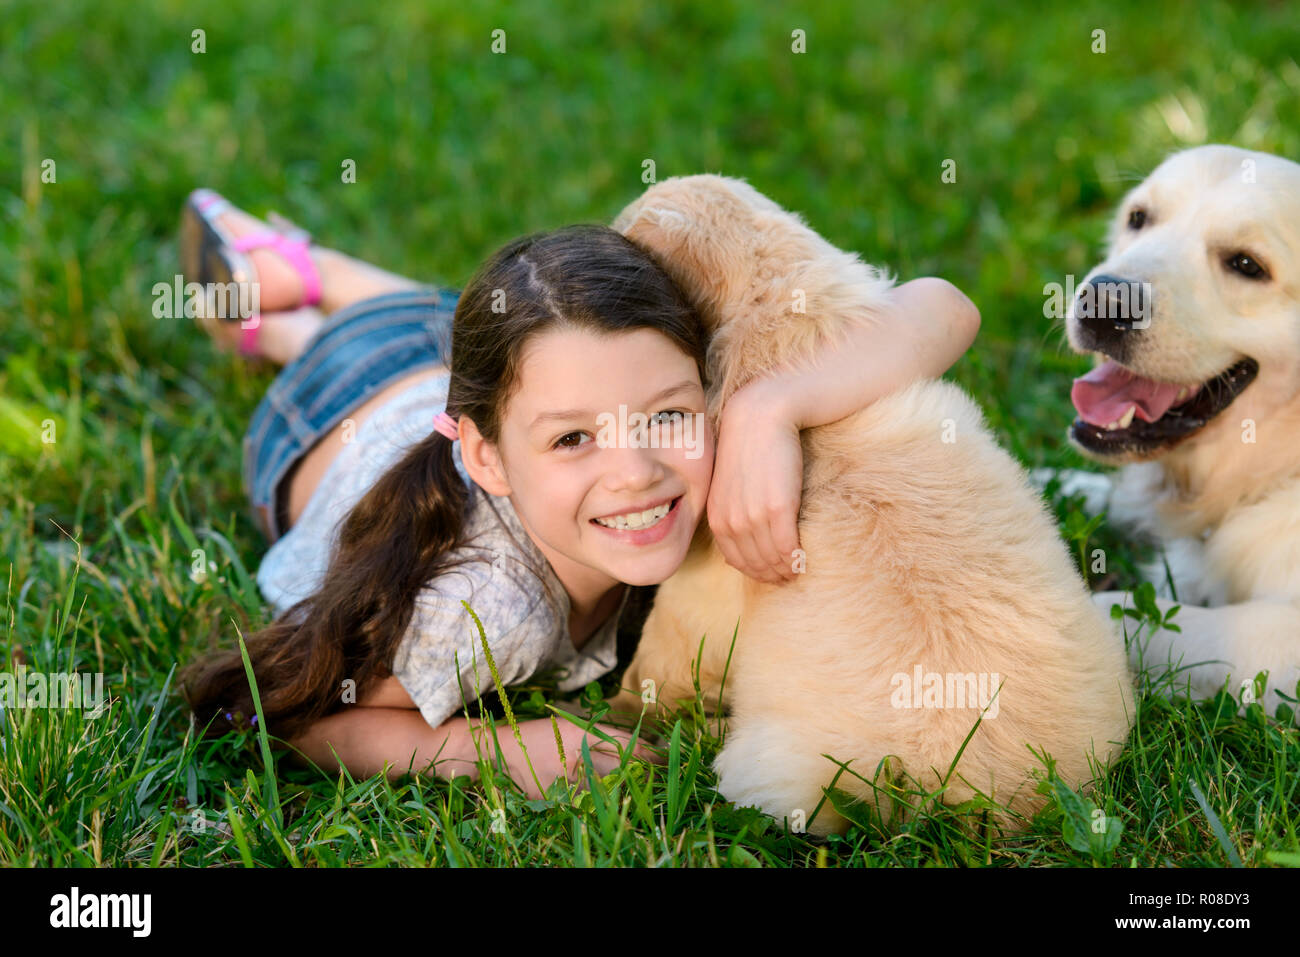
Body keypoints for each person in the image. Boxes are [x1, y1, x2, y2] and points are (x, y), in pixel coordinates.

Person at [179, 189, 980, 800]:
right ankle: (288, 302)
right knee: (350, 336)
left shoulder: (692, 412)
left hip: (456, 375)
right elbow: (277, 715)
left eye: (667, 416)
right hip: (327, 409)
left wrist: (771, 406)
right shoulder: (475, 610)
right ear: (485, 461)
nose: (635, 473)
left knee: (506, 332)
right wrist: (489, 750)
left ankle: (297, 277)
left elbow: (945, 307)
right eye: (575, 440)